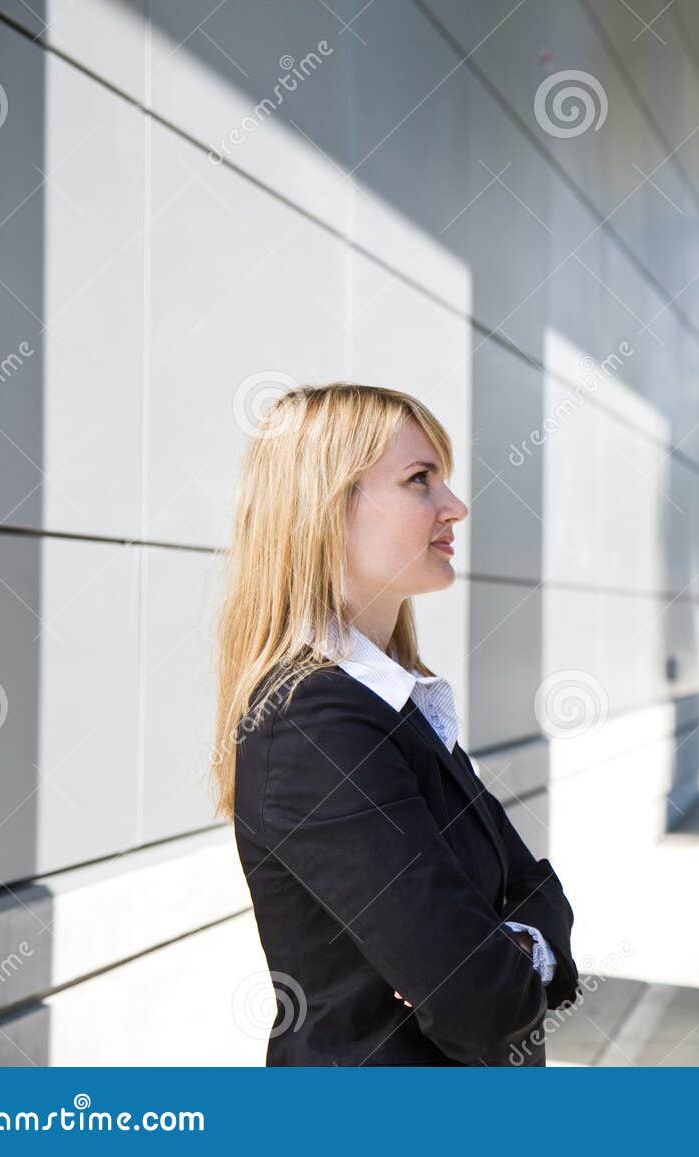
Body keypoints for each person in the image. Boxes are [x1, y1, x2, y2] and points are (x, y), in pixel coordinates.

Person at [209, 382, 577, 1065]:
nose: (455, 506)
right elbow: (479, 998)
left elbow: (538, 888)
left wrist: (512, 944)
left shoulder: (395, 703)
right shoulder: (312, 725)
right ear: (327, 508)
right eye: (420, 480)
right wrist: (513, 950)